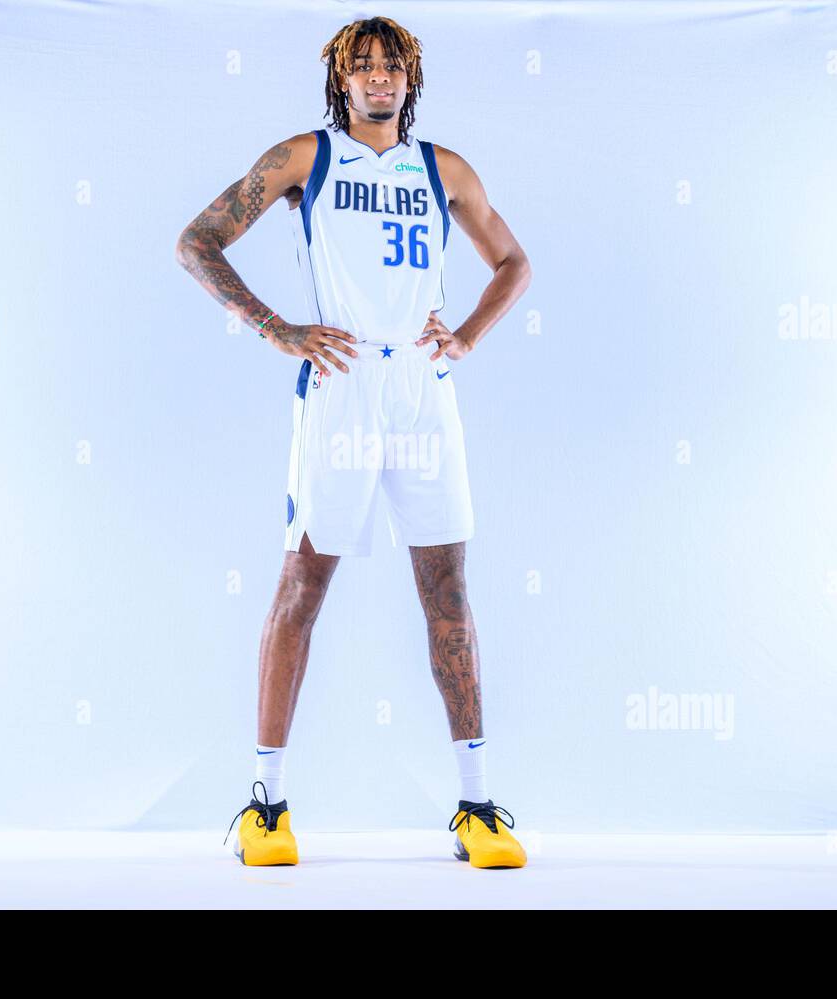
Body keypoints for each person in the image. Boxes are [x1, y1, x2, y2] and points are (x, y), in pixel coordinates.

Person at [176, 16, 532, 869]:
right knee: (304, 580)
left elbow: (513, 262)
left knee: (447, 586)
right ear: (340, 81)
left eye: (391, 67)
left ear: (412, 79)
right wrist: (273, 327)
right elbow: (197, 242)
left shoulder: (444, 169)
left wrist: (469, 336)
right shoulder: (308, 158)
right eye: (362, 68)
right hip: (341, 391)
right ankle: (266, 805)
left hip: (421, 390)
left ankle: (477, 805)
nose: (378, 80)